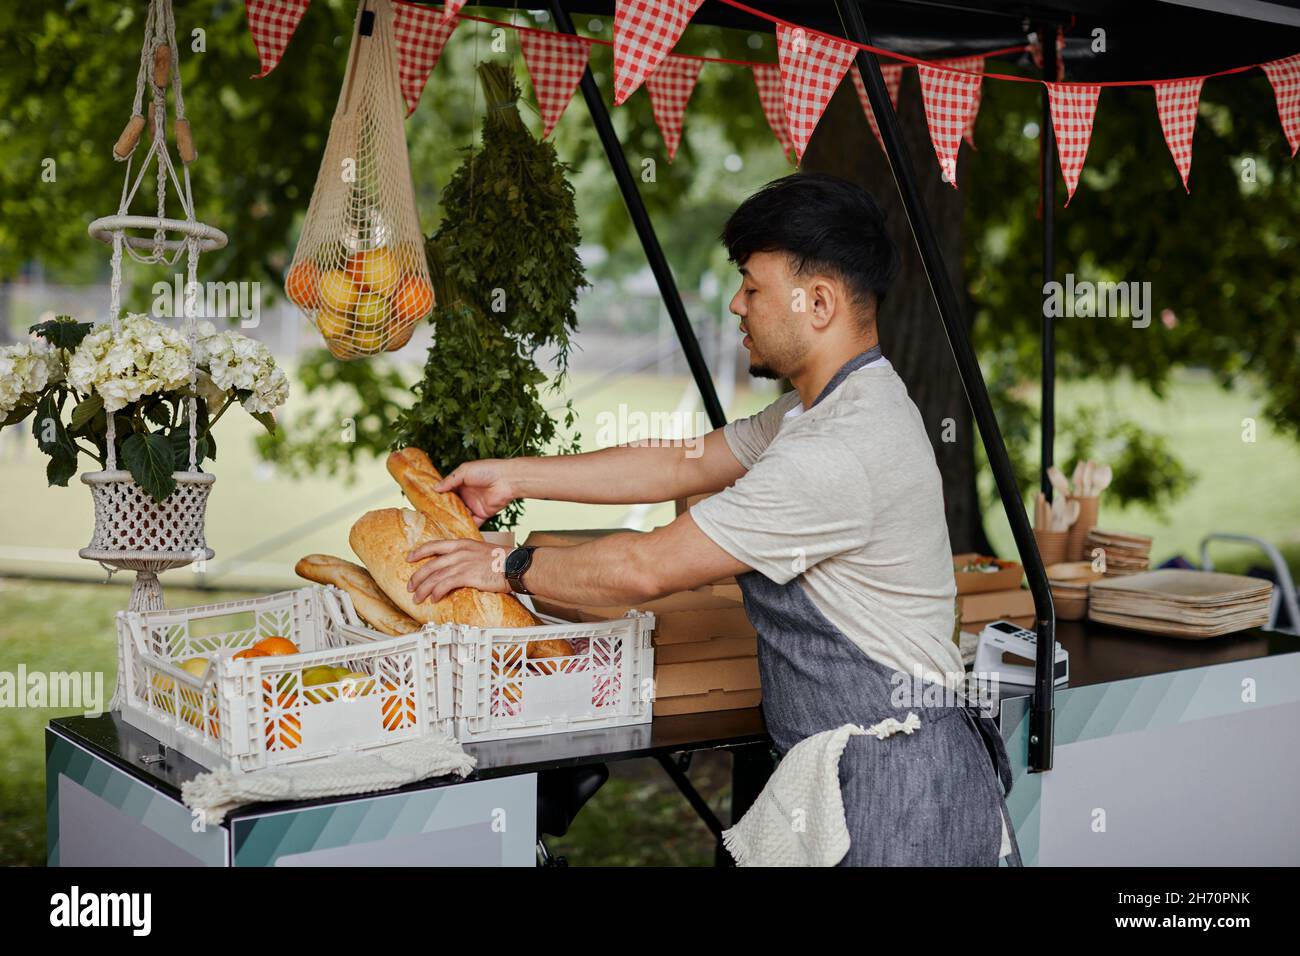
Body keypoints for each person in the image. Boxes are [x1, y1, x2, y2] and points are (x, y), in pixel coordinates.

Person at [405, 172, 1021, 866]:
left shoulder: (836, 450)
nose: (736, 304)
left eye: (753, 287)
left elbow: (645, 568)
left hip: (901, 799)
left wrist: (506, 567)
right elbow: (679, 464)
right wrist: (518, 473)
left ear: (817, 302)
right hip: (862, 776)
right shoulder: (819, 410)